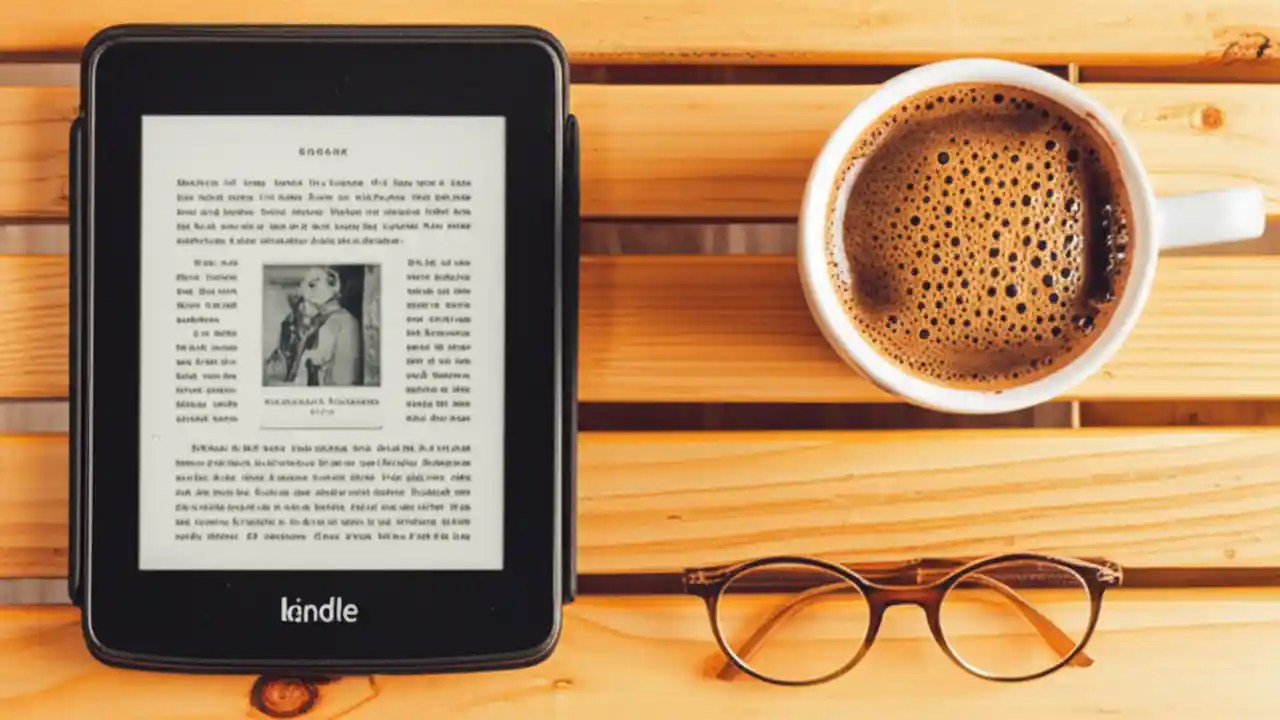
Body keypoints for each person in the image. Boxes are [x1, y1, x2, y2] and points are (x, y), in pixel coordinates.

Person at [291, 266, 362, 386]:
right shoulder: (325, 320)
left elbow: (318, 360)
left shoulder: (338, 321)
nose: (304, 291)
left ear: (333, 286)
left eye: (313, 285)